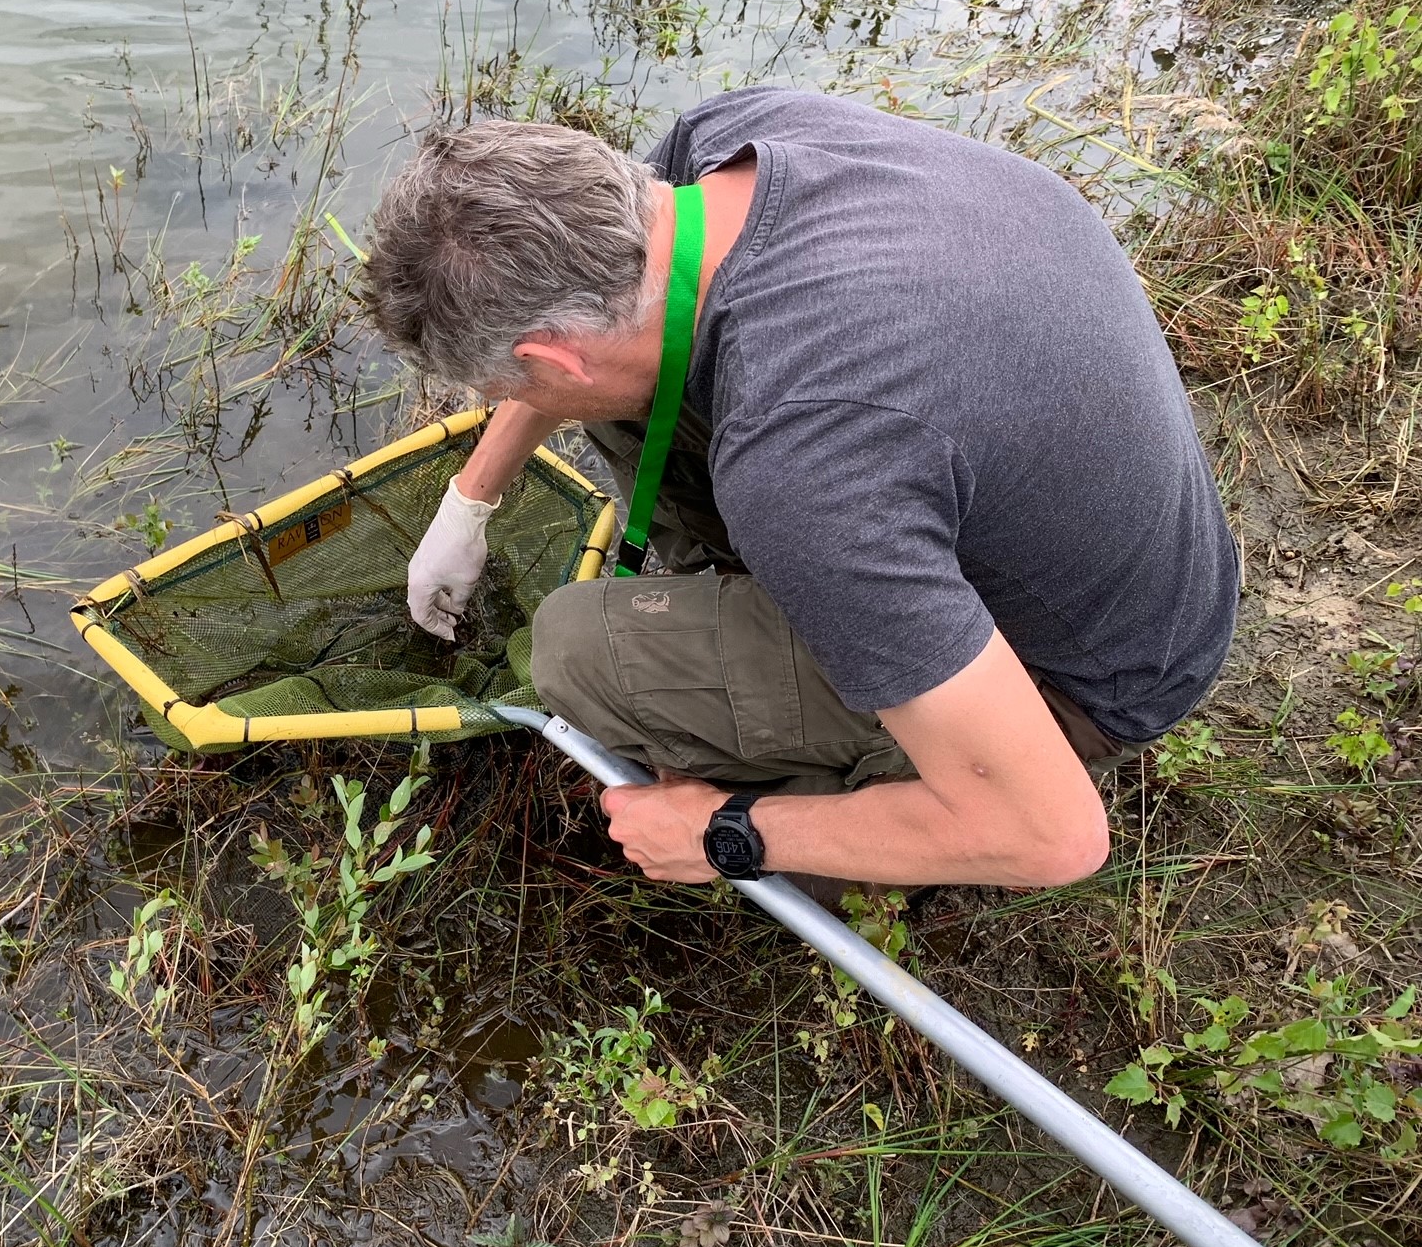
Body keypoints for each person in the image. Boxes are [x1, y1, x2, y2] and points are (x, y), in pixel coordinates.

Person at [357, 89, 1239, 892]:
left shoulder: (804, 467)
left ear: (550, 357)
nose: (514, 411)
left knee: (577, 650)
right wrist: (469, 500)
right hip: (1125, 559)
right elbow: (605, 351)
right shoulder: (727, 145)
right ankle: (779, 622)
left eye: (514, 391)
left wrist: (725, 833)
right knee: (627, 406)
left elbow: (1055, 837)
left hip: (1081, 686)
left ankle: (836, 766)